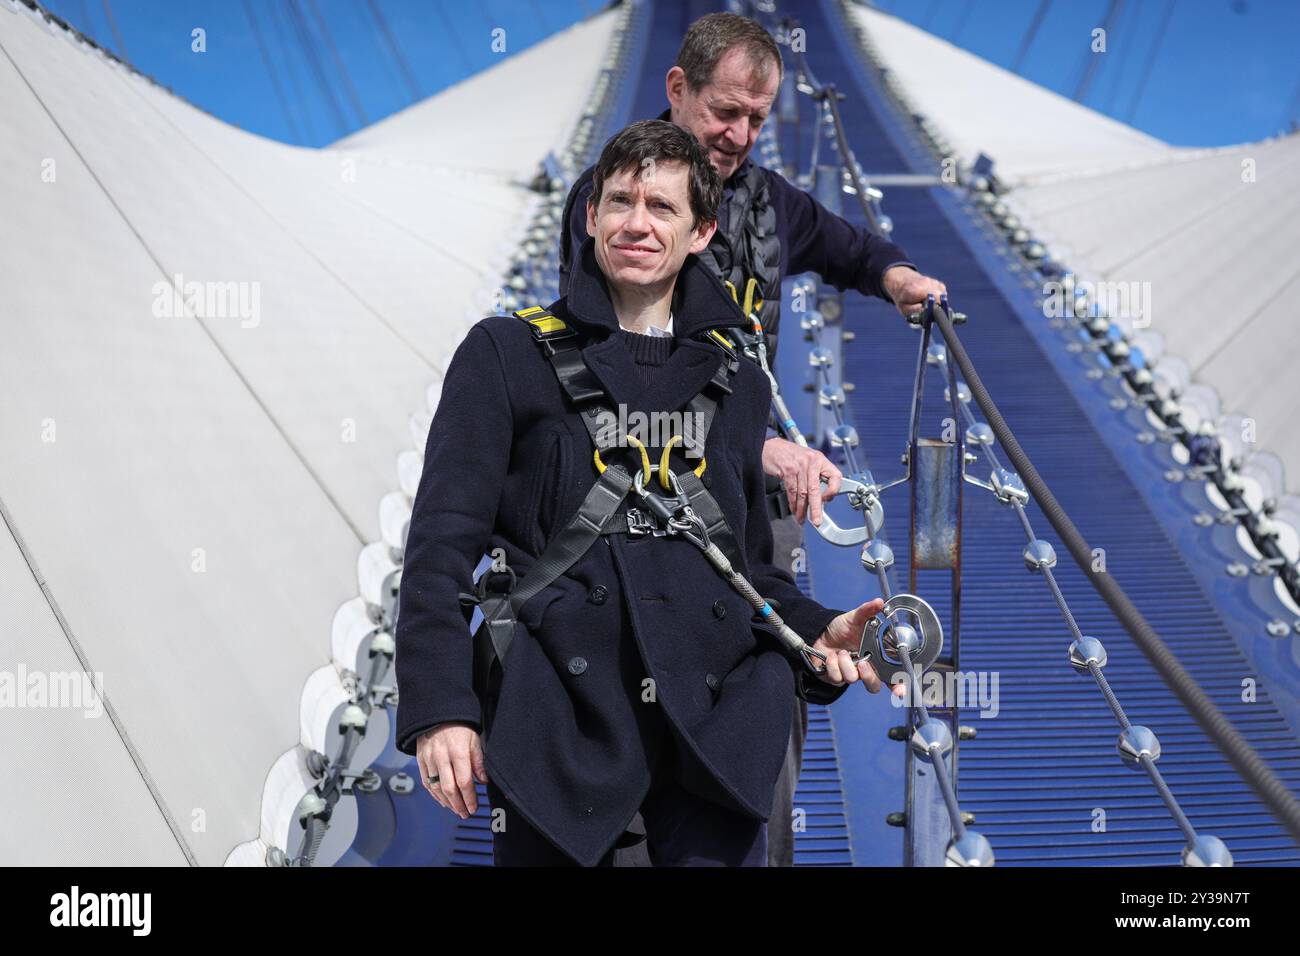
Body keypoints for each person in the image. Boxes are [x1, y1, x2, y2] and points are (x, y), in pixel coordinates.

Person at [394, 119, 900, 867]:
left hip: (714, 734)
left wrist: (817, 630)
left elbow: (749, 572)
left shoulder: (738, 380)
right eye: (621, 201)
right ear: (591, 214)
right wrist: (441, 708)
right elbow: (440, 544)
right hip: (558, 726)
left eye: (661, 208)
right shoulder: (505, 354)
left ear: (701, 232)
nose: (637, 223)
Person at [560, 10, 949, 867]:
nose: (737, 136)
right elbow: (605, 363)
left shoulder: (770, 204)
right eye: (723, 112)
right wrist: (763, 449)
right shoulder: (619, 206)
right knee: (641, 669)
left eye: (755, 120)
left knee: (764, 666)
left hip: (742, 498)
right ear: (677, 90)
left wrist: (899, 280)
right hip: (637, 492)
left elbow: (850, 245)